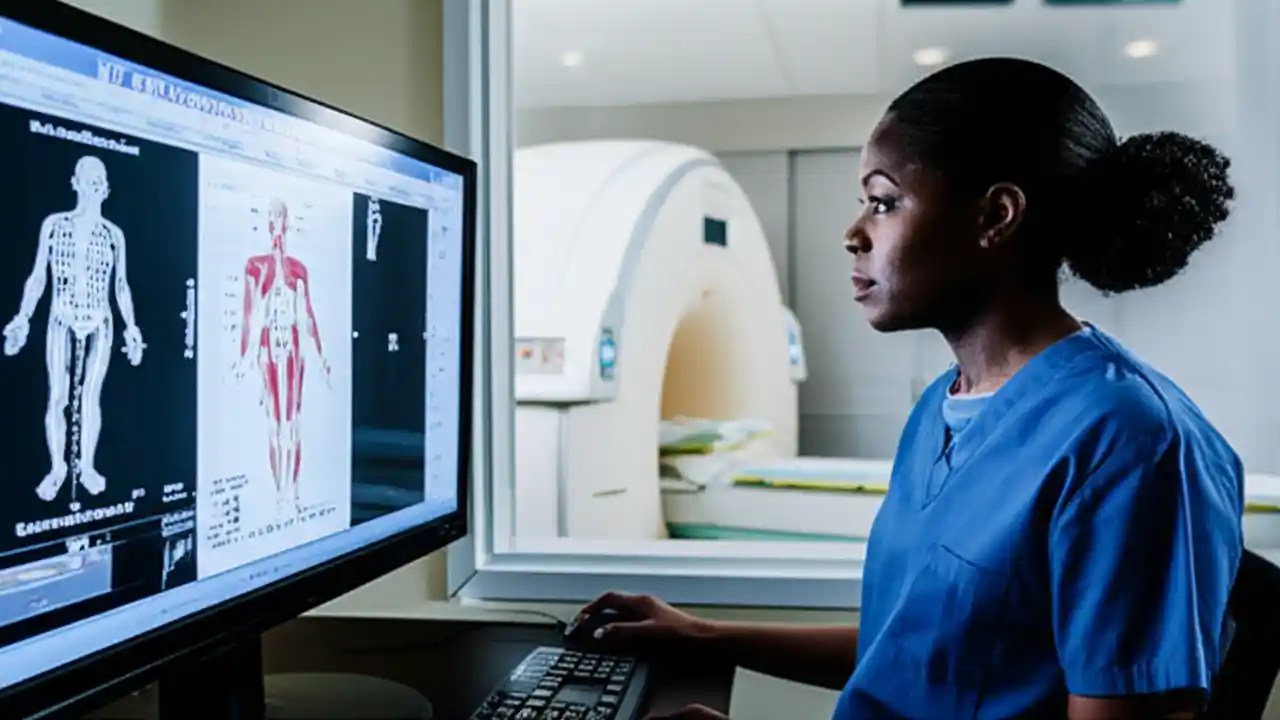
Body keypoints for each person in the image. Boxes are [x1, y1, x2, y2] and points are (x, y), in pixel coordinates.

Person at [579, 57, 1243, 720]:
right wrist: (704, 635)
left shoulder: (1128, 443)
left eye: (883, 201)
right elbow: (919, 653)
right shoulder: (942, 409)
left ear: (995, 216)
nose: (853, 233)